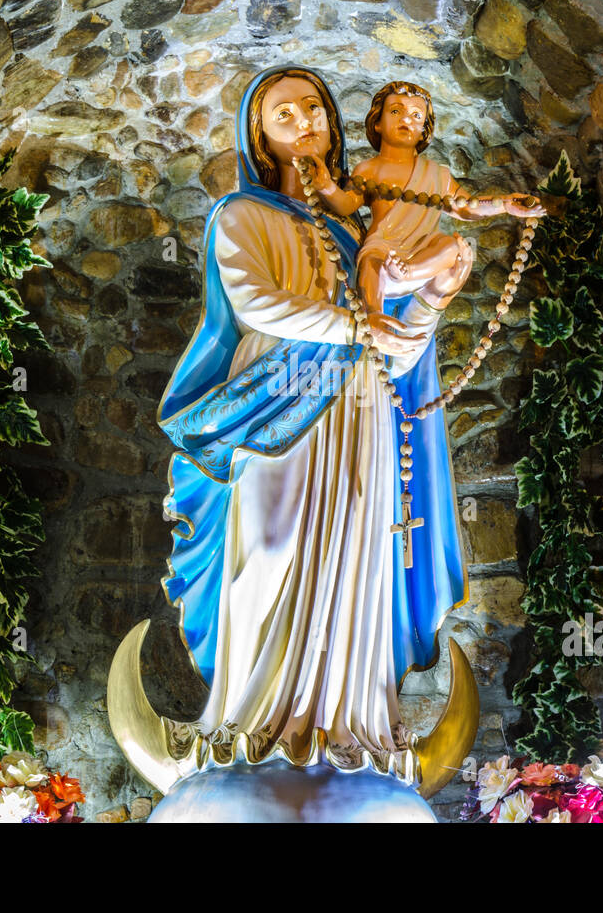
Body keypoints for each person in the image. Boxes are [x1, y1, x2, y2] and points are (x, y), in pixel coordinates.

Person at [155, 66, 473, 779]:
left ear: (333, 125)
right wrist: (351, 325)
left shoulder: (361, 231)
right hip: (277, 397)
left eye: (314, 109)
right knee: (267, 548)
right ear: (261, 137)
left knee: (359, 555)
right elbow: (256, 304)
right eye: (283, 114)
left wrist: (433, 303)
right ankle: (247, 723)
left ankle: (348, 727)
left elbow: (399, 340)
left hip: (360, 403)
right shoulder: (241, 216)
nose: (303, 120)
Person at [306, 80, 564, 314]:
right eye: (396, 111)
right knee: (371, 262)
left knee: (452, 246)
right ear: (377, 122)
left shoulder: (436, 173)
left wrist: (505, 205)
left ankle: (409, 272)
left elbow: (465, 207)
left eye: (416, 115)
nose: (406, 119)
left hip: (423, 259)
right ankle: (374, 315)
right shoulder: (369, 170)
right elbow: (346, 204)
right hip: (383, 250)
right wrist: (326, 186)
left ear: (424, 131)